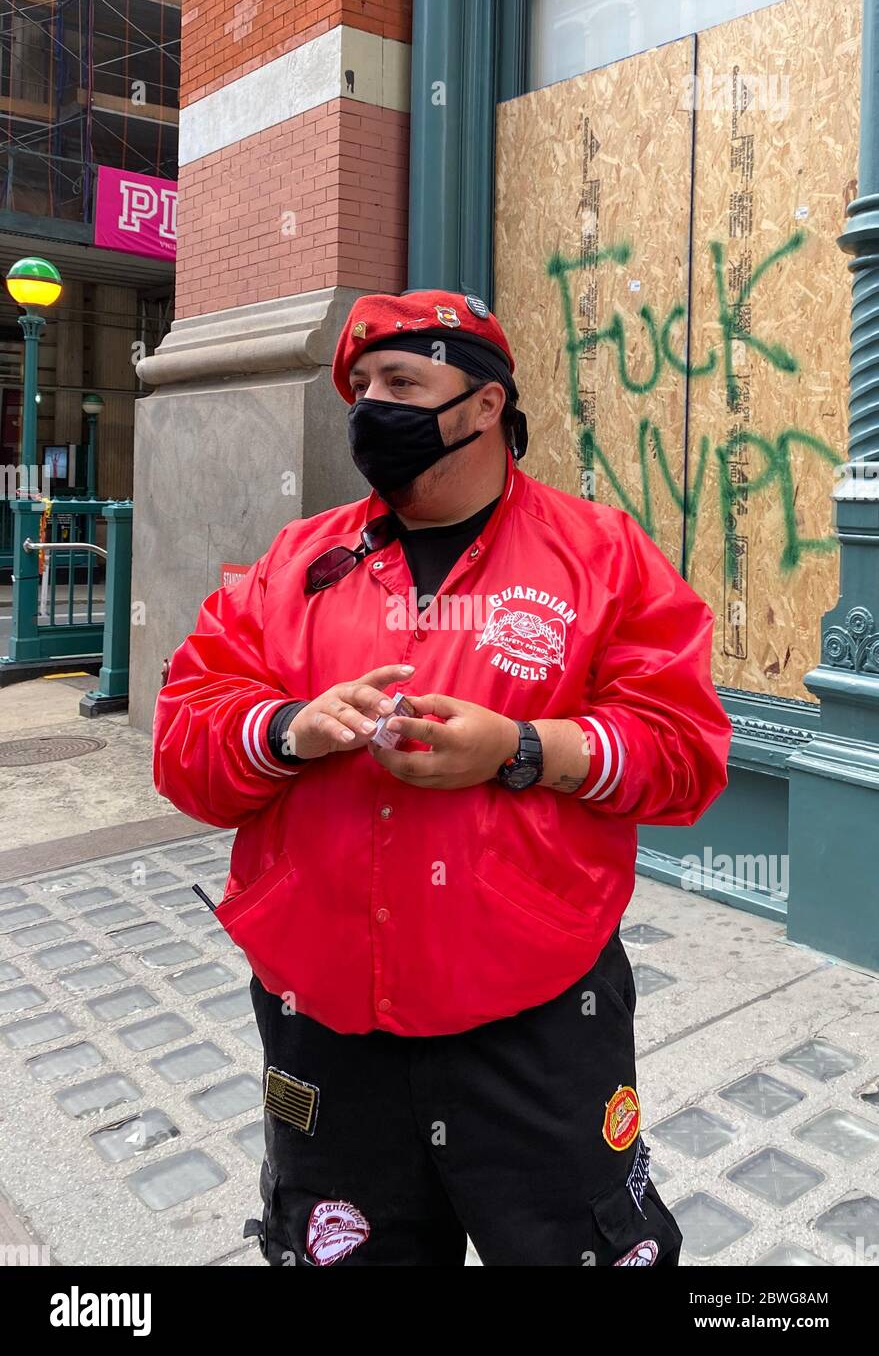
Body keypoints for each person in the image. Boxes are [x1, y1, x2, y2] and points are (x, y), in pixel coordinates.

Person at [153, 289, 731, 1267]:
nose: (372, 403)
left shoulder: (602, 558)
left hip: (540, 1028)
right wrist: (288, 728)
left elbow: (683, 754)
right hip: (328, 1029)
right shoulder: (296, 564)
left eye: (402, 382)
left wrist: (521, 746)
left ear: (485, 405)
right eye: (362, 385)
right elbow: (184, 740)